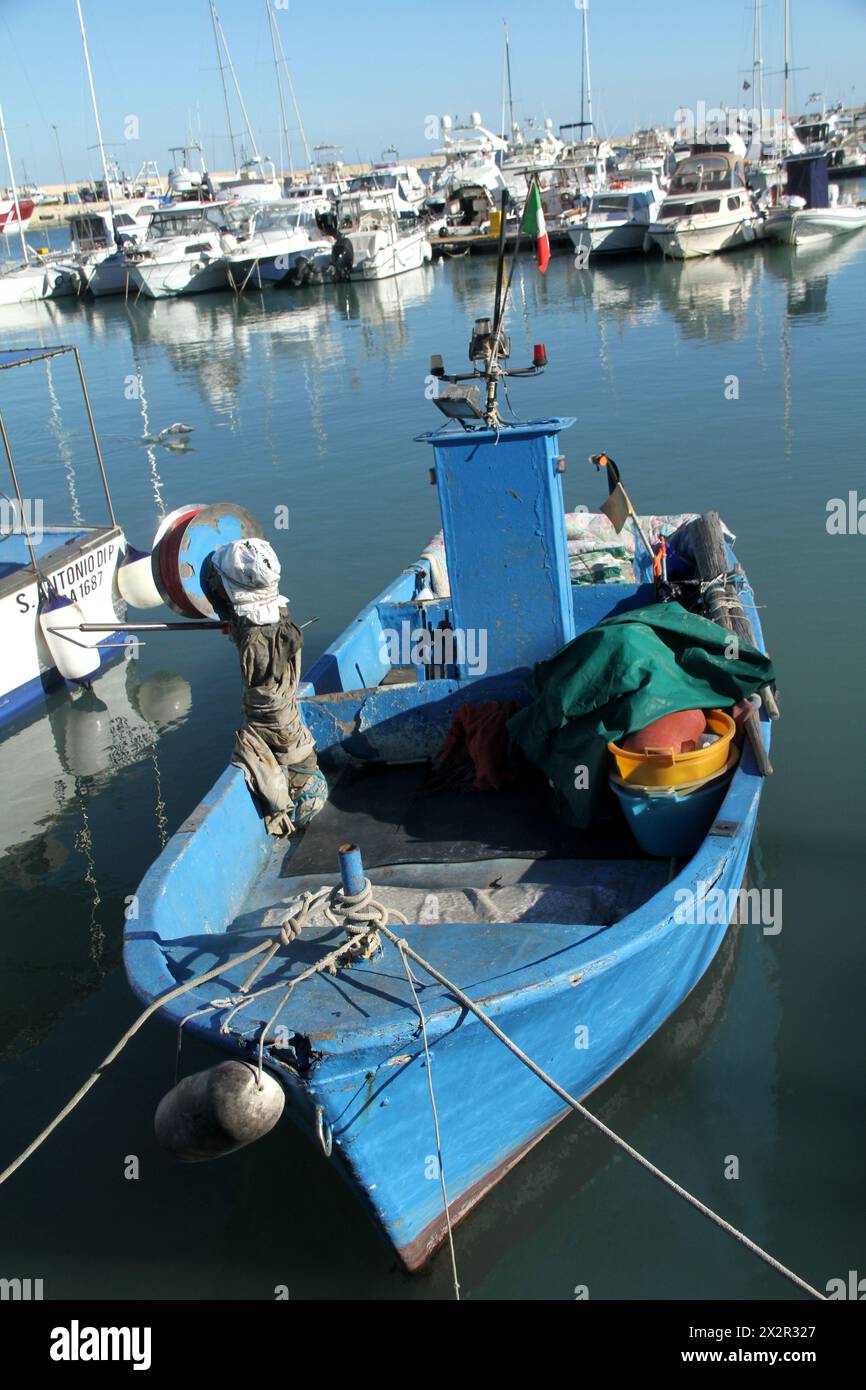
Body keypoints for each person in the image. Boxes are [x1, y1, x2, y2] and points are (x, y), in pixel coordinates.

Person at [204, 538, 327, 834]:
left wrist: (239, 631)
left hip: (289, 742)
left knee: (275, 714)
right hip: (289, 730)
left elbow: (267, 698)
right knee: (279, 711)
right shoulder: (278, 617)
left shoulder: (257, 641)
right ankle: (303, 784)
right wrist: (236, 627)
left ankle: (302, 793)